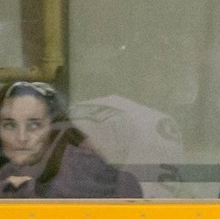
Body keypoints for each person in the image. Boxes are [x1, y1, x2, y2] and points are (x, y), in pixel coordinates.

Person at [1, 81, 142, 199]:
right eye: (9, 125)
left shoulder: (81, 168)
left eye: (34, 125)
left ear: (53, 129)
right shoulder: (10, 170)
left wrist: (20, 190)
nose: (21, 137)